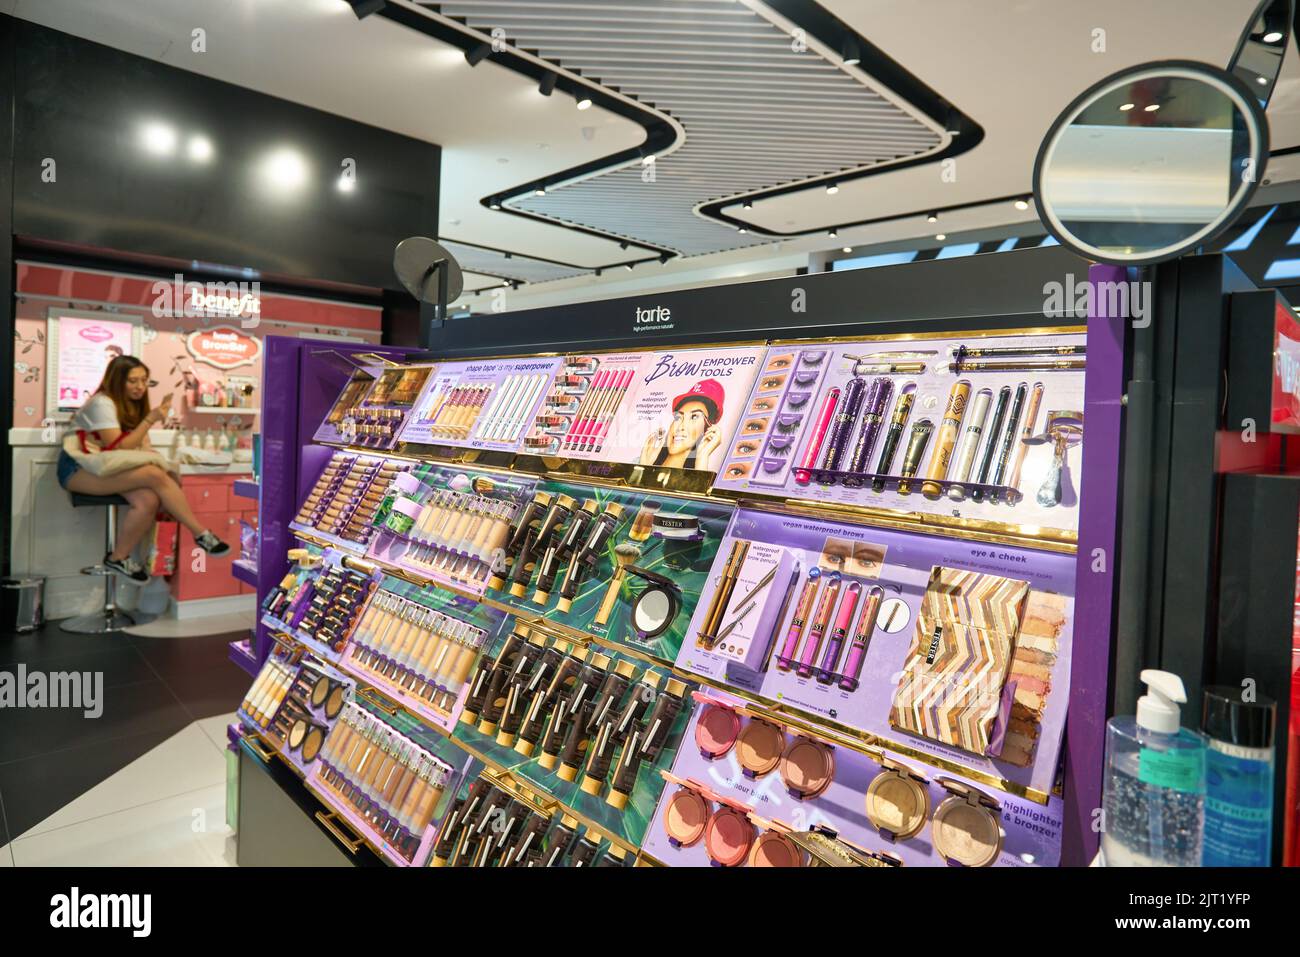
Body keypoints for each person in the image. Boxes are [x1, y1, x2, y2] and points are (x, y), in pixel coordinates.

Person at [57, 355, 230, 583]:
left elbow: (141, 446)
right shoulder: (102, 403)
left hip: (107, 467)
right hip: (78, 469)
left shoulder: (132, 404)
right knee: (154, 474)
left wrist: (157, 460)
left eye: (143, 380)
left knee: (149, 499)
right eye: (132, 381)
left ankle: (118, 558)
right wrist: (150, 419)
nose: (140, 386)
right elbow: (118, 447)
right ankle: (200, 533)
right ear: (117, 380)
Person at [639, 379, 726, 471]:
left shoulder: (702, 471)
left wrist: (702, 458)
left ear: (708, 429)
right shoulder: (642, 462)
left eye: (694, 417)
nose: (680, 427)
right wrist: (645, 468)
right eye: (678, 417)